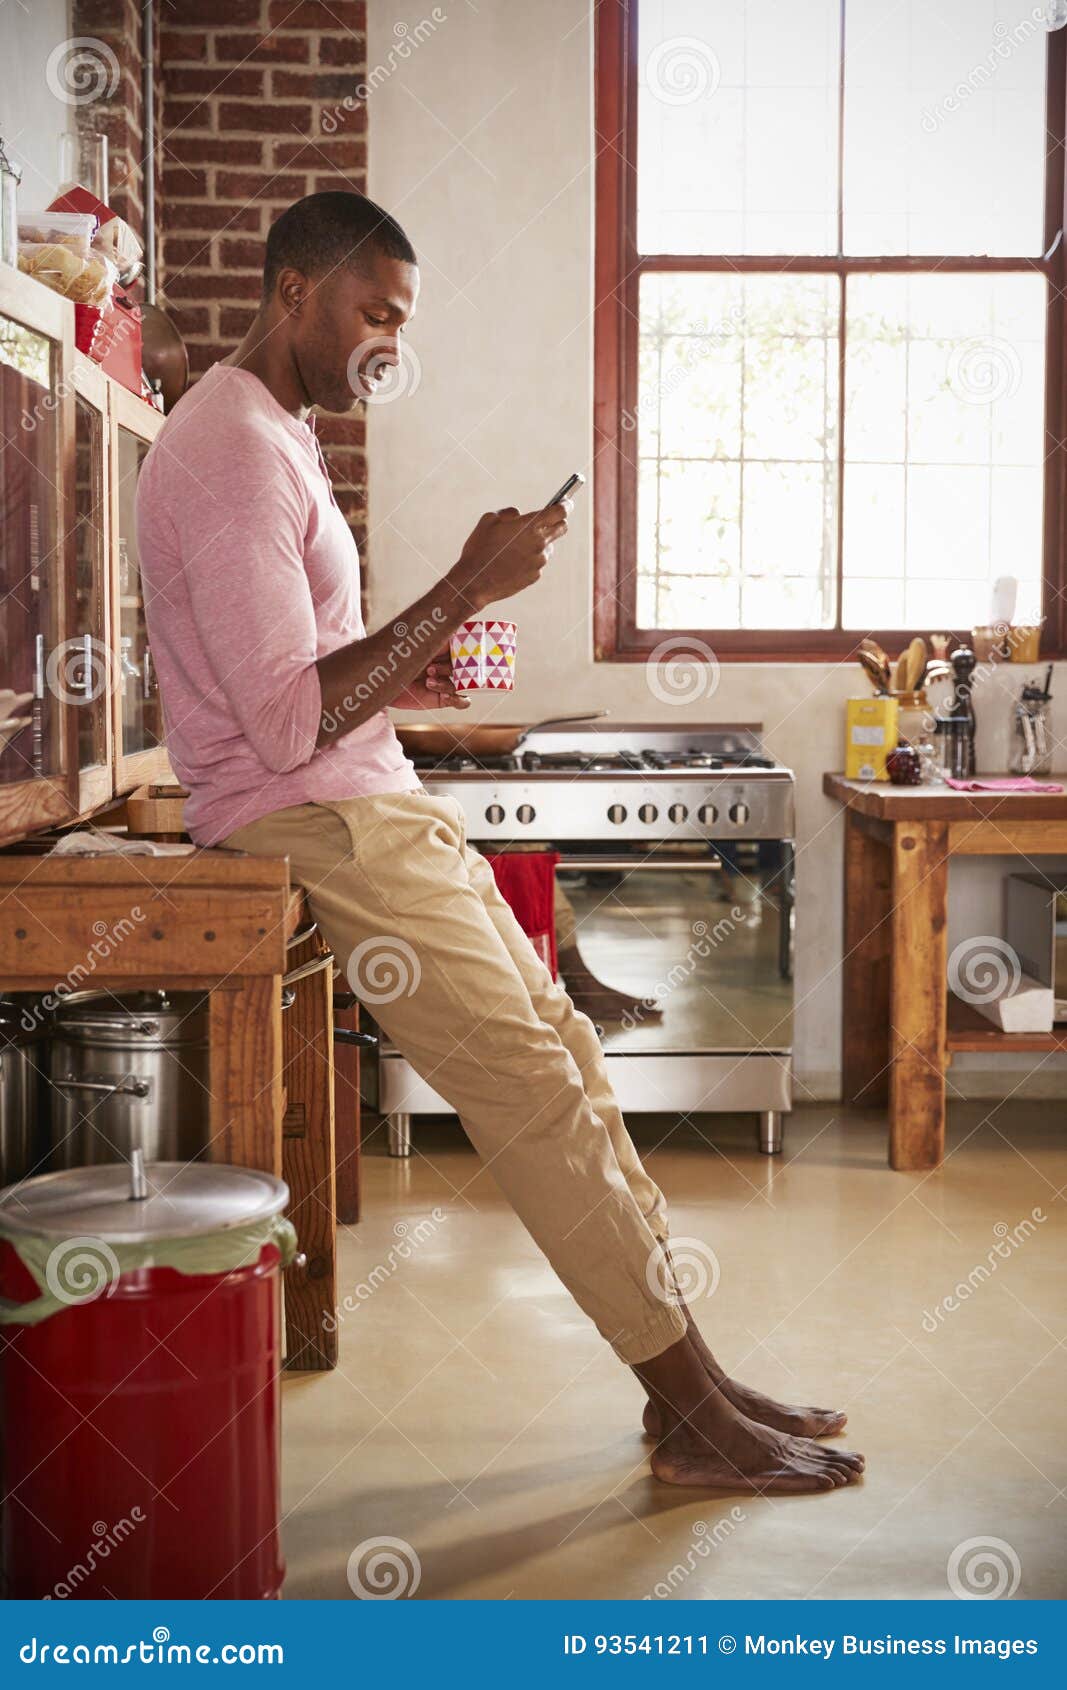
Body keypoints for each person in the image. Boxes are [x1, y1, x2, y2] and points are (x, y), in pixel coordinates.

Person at [136, 192, 863, 1494]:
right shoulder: (234, 449)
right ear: (294, 286)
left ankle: (690, 1377)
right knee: (533, 1084)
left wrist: (438, 637)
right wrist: (465, 586)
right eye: (373, 312)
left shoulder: (277, 437)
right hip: (315, 818)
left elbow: (306, 680)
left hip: (371, 801)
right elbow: (289, 719)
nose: (386, 345)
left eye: (400, 322)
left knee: (573, 1058)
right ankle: (692, 1406)